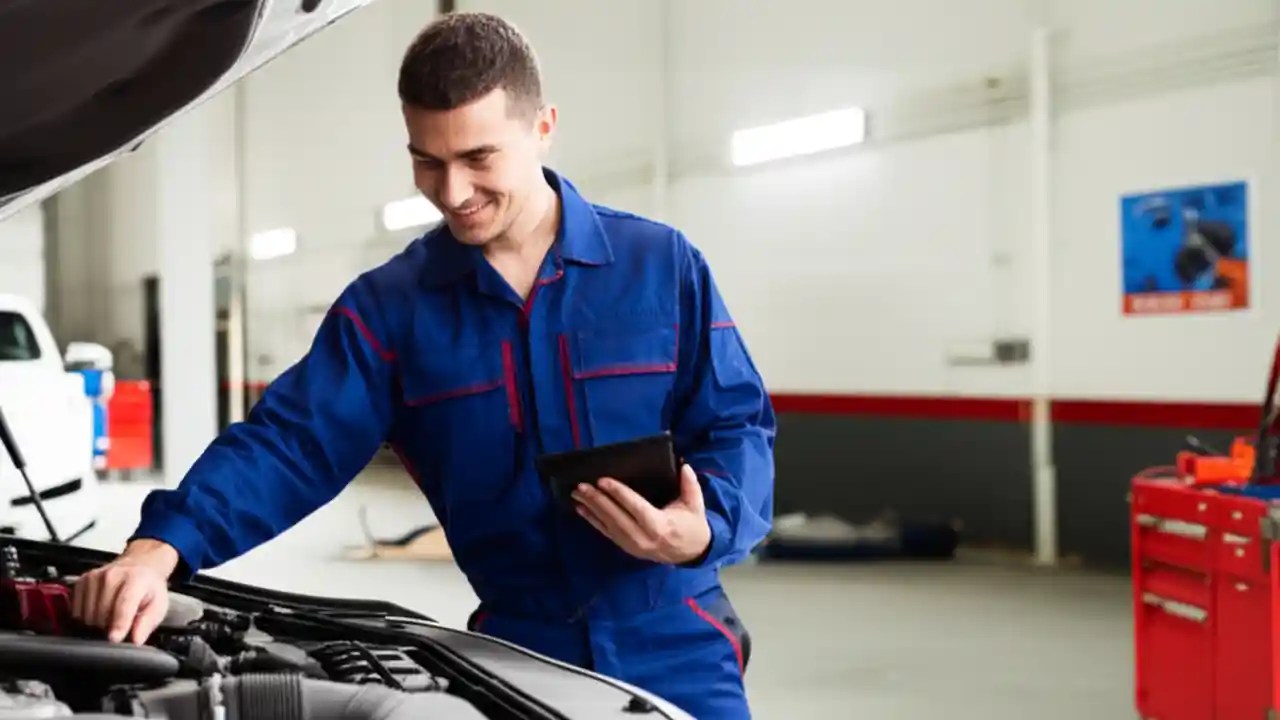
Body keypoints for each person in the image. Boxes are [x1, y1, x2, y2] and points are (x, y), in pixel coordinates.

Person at [69, 11, 775, 719]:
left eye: (479, 158)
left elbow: (736, 426)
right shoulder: (391, 310)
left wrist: (704, 526)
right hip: (519, 649)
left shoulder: (661, 267)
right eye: (427, 161)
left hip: (676, 634)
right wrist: (161, 547)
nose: (453, 192)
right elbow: (291, 445)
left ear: (544, 127)